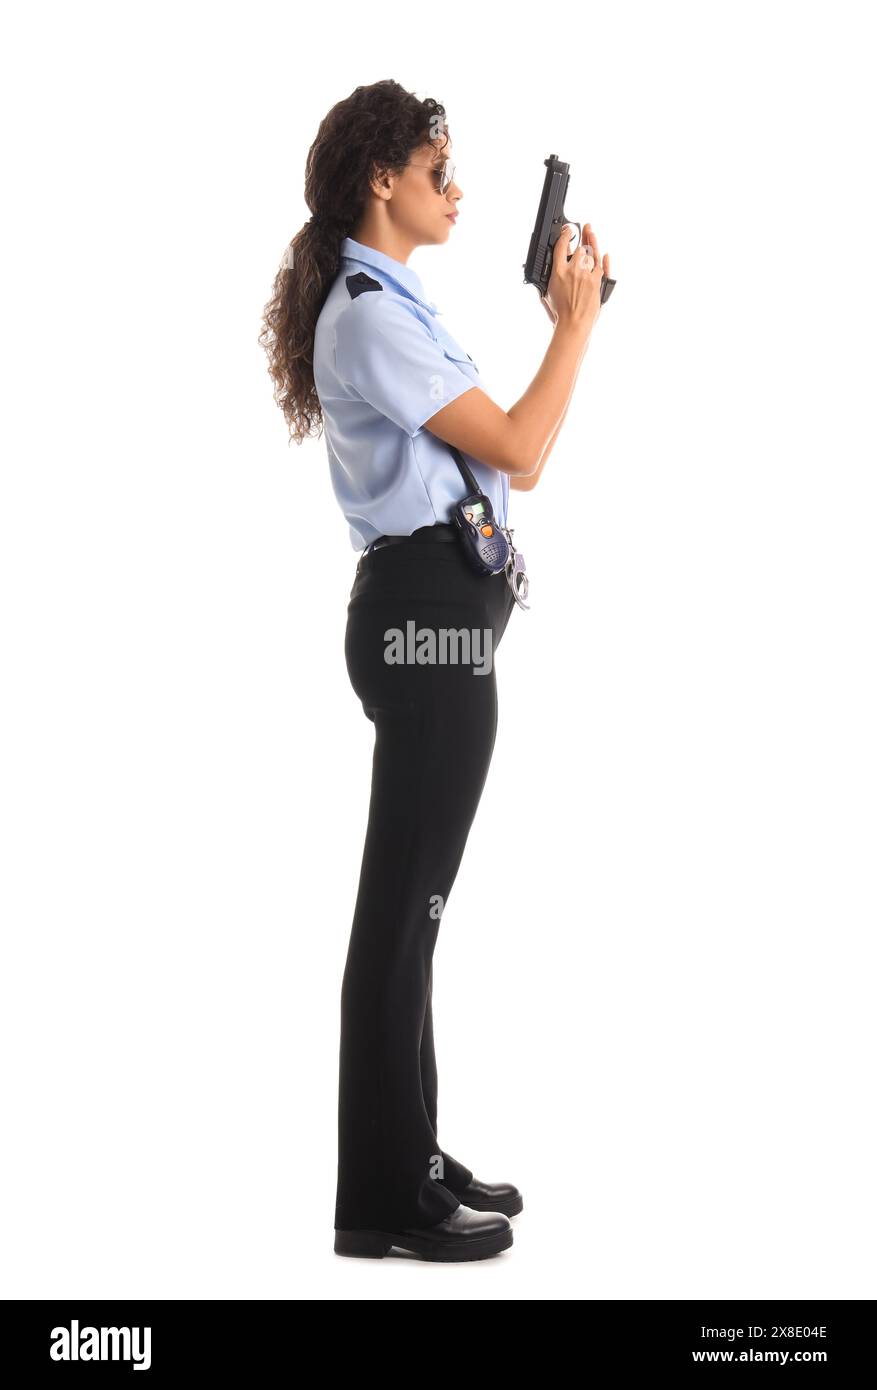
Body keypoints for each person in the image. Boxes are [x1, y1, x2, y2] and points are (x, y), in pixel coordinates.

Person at [260, 79, 610, 1262]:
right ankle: (385, 1196)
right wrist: (572, 330)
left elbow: (524, 465)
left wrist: (570, 335)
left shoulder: (392, 302)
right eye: (438, 168)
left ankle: (411, 1149)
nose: (455, 189)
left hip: (437, 615)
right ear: (381, 180)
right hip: (424, 621)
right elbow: (513, 440)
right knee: (403, 913)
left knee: (418, 906)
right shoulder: (368, 310)